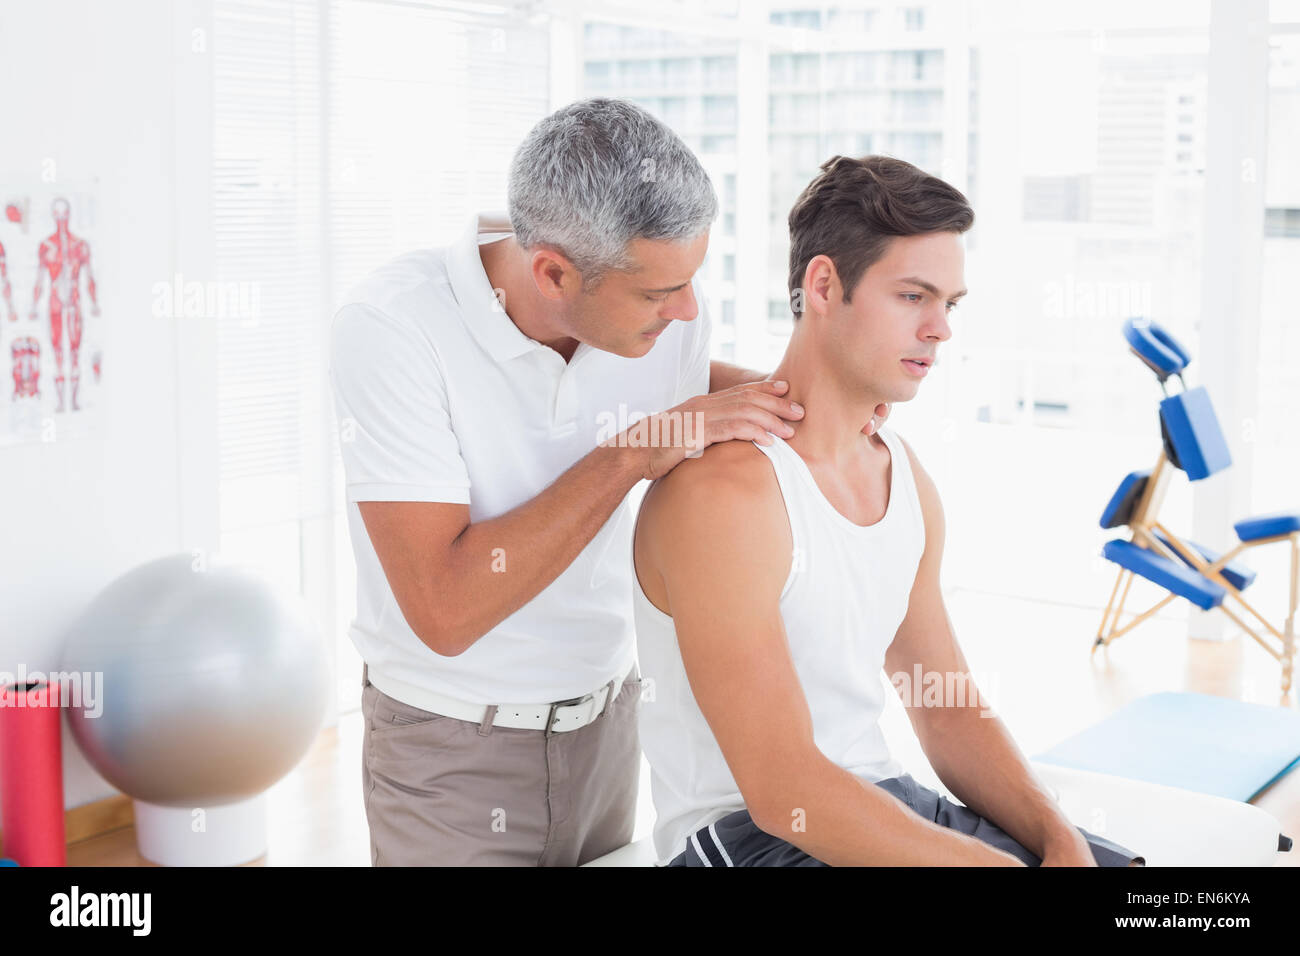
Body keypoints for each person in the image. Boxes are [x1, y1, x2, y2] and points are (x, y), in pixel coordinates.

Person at [329, 98, 887, 866]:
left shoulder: (662, 313)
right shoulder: (394, 327)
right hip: (452, 751)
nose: (687, 310)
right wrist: (633, 453)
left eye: (692, 281)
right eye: (660, 293)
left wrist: (828, 399)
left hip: (610, 723)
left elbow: (687, 398)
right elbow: (445, 608)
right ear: (554, 272)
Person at [632, 154, 1145, 867]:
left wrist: (1058, 838)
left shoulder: (904, 477)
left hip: (881, 797)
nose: (940, 329)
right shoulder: (726, 494)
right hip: (751, 836)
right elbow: (784, 792)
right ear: (823, 285)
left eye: (951, 304)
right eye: (913, 296)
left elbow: (945, 707)